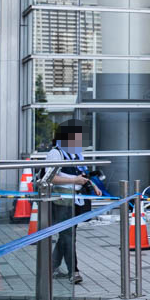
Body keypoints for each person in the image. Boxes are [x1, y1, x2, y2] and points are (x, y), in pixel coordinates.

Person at [46, 120, 96, 284]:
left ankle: (52, 267)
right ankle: (73, 271)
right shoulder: (56, 153)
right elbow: (50, 178)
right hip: (62, 200)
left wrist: (92, 185)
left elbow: (82, 174)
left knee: (66, 235)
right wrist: (75, 180)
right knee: (68, 236)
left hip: (76, 200)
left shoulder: (76, 154)